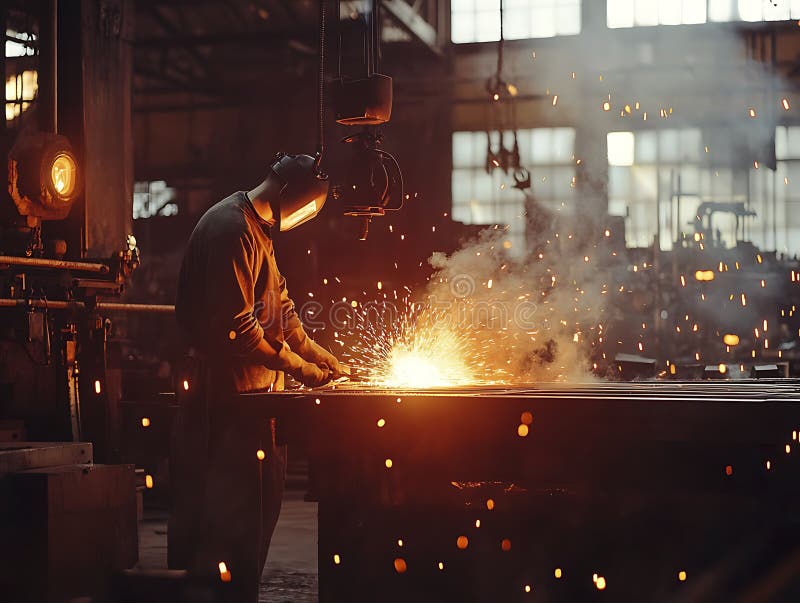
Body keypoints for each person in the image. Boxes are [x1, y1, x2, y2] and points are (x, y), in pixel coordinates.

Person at [169, 153, 344, 602]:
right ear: (286, 194)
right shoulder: (232, 230)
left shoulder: (256, 231)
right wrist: (299, 368)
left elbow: (281, 309)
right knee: (227, 528)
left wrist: (318, 354)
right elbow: (239, 330)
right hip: (224, 406)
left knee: (255, 523)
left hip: (255, 402)